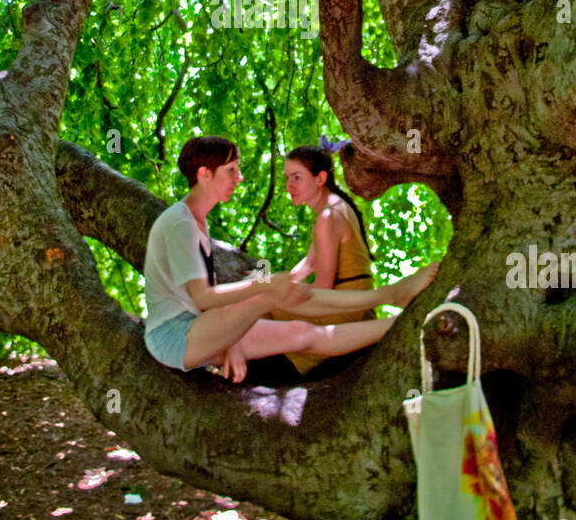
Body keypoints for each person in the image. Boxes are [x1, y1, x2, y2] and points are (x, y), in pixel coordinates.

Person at [143, 135, 438, 383]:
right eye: (231, 170)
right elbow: (205, 299)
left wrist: (231, 340)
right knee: (265, 290)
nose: (240, 177)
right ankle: (391, 294)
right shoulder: (180, 223)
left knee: (301, 330)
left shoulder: (197, 221)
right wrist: (264, 287)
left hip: (199, 331)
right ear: (205, 174)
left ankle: (400, 324)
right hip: (175, 337)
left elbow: (214, 295)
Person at [269, 141, 382, 375]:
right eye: (287, 177)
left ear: (320, 179)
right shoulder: (330, 208)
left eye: (297, 177)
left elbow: (323, 289)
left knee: (260, 309)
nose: (289, 185)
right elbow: (308, 264)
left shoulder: (328, 216)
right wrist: (275, 283)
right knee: (263, 294)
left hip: (344, 311)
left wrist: (274, 297)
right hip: (353, 304)